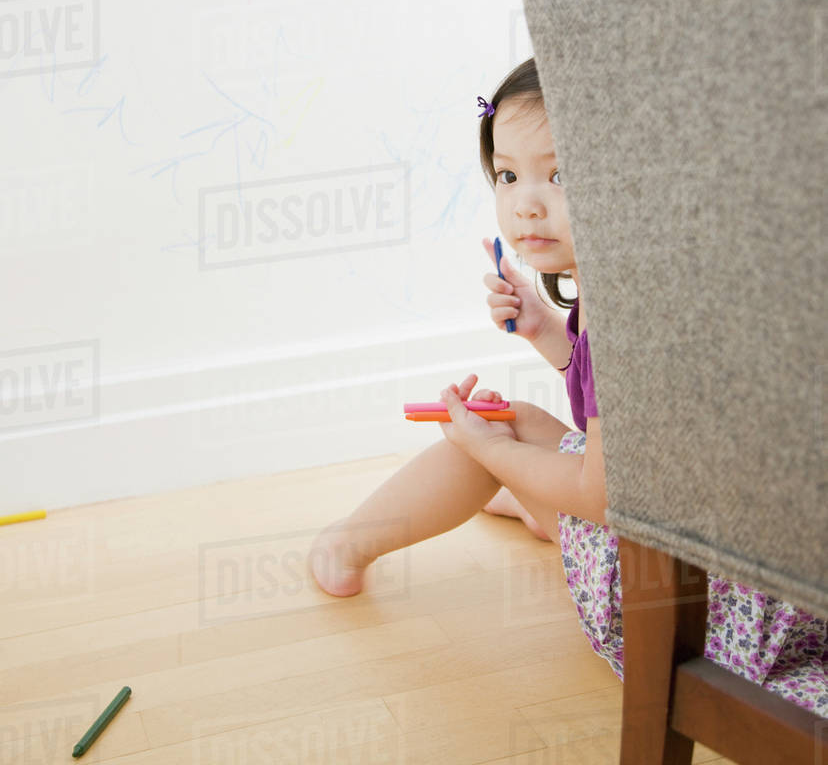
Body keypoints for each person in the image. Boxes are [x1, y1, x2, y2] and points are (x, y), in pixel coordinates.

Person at [309, 57, 827, 717]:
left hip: (687, 604)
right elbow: (625, 416)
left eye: (562, 174)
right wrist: (547, 332)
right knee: (526, 438)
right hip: (771, 577)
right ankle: (531, 500)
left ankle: (349, 543)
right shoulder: (661, 280)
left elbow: (604, 492)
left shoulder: (624, 311)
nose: (526, 201)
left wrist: (486, 449)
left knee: (499, 428)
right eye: (507, 173)